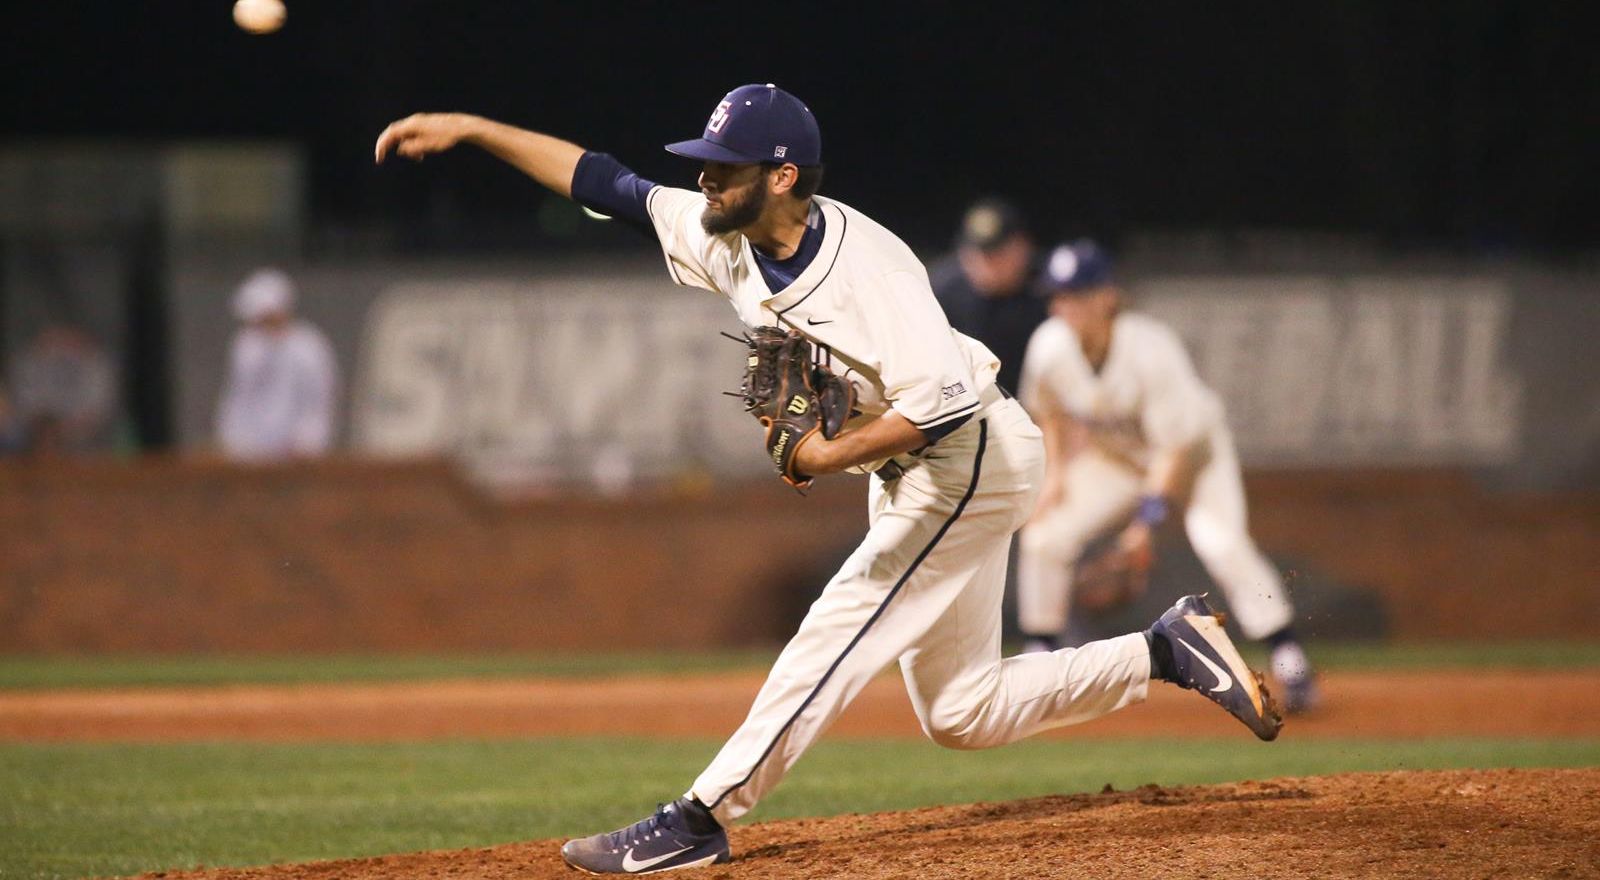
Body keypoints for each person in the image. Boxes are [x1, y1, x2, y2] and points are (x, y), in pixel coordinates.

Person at [375, 84, 1282, 875]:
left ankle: (699, 819)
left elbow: (943, 405)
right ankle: (1163, 650)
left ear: (782, 176)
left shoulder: (870, 272)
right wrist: (474, 129)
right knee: (961, 711)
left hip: (970, 458)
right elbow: (606, 182)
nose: (705, 180)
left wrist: (817, 456)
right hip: (925, 471)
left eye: (724, 167)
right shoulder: (724, 232)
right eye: (705, 165)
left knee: (839, 626)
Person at [1015, 239, 1318, 713]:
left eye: (1077, 294)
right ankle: (1040, 656)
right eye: (1058, 296)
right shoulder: (1049, 345)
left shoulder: (1149, 348)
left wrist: (1144, 526)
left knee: (1222, 544)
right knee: (1044, 535)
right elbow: (1048, 410)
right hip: (1119, 462)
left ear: (1106, 297)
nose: (1064, 306)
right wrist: (1055, 475)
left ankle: (1290, 659)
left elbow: (1173, 450)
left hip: (1195, 459)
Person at [214, 268, 340, 460]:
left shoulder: (308, 346)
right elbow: (238, 397)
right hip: (250, 455)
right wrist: (233, 441)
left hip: (297, 455)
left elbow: (319, 401)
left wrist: (308, 443)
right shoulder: (246, 345)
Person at [929, 198, 1045, 392]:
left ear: (1024, 247)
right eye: (977, 253)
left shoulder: (1050, 288)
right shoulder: (943, 290)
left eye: (997, 253)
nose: (984, 264)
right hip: (969, 400)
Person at [11, 323, 119, 453]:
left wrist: (70, 430)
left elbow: (96, 414)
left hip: (87, 445)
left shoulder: (95, 366)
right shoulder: (31, 363)